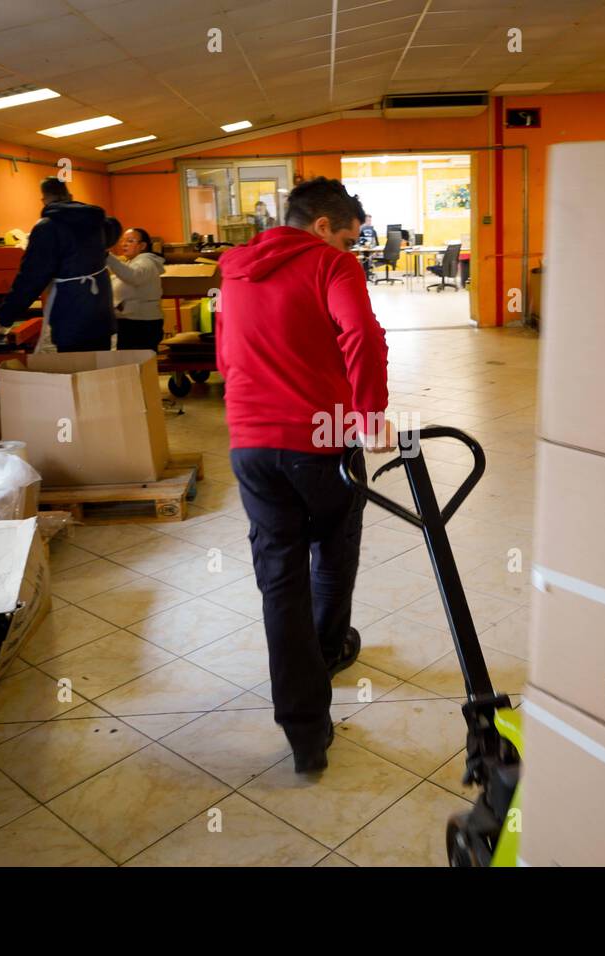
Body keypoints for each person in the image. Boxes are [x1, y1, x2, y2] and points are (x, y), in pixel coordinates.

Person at [218, 177, 393, 774]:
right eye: (348, 237)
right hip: (321, 439)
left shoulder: (235, 268)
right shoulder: (330, 265)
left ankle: (304, 733)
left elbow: (226, 354)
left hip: (251, 445)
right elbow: (363, 335)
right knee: (336, 546)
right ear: (322, 226)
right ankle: (329, 647)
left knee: (279, 577)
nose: (352, 249)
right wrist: (370, 413)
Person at [0, 177, 117, 352]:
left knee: (75, 372)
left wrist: (3, 318)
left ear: (45, 199)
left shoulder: (47, 227)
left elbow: (30, 279)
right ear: (69, 196)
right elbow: (115, 227)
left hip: (72, 313)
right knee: (100, 371)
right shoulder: (95, 220)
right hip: (101, 309)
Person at [107, 227, 166, 351]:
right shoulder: (132, 262)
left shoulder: (146, 262)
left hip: (141, 324)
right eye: (122, 241)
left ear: (143, 245)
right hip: (130, 322)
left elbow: (133, 276)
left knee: (140, 365)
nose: (124, 244)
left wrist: (108, 257)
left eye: (130, 241)